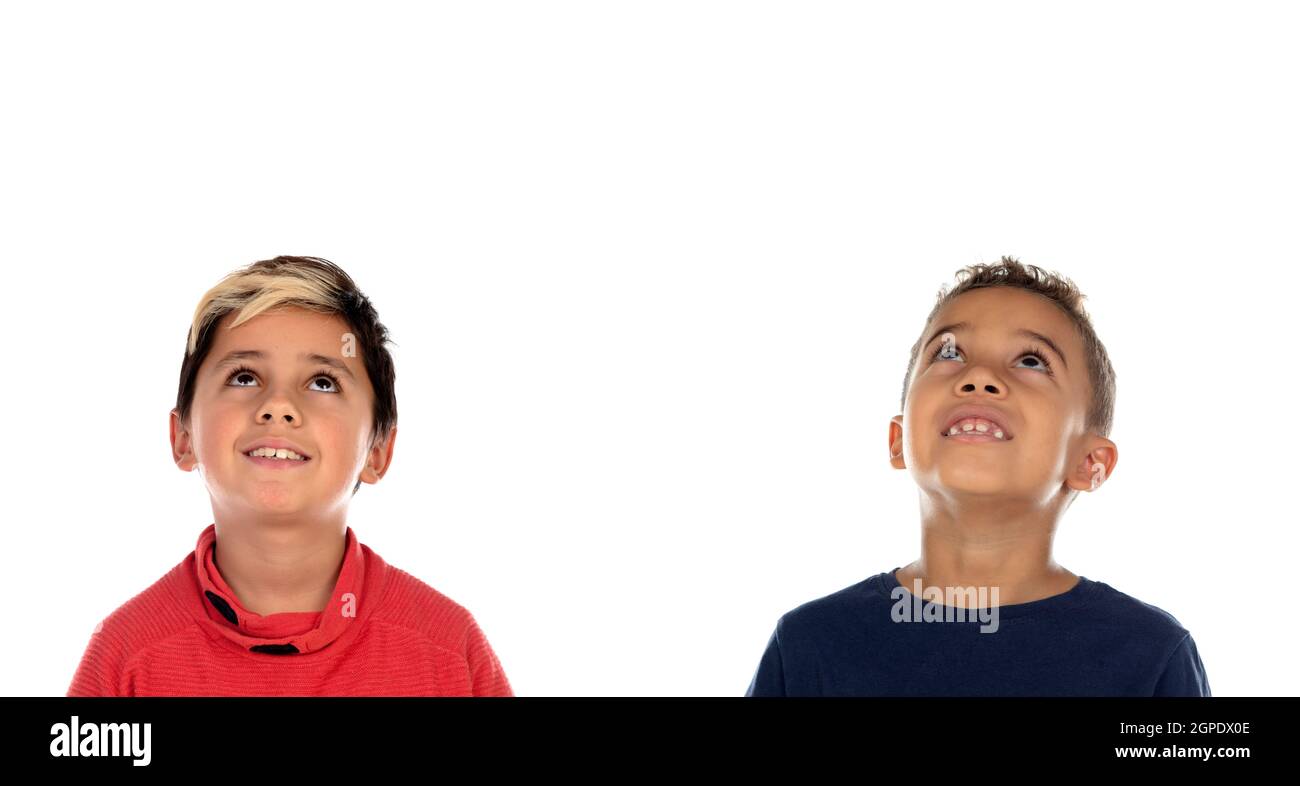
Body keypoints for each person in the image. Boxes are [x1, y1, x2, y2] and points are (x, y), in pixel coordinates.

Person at [745, 256, 1210, 696]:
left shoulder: (1150, 656)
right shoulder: (809, 646)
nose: (979, 376)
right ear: (898, 440)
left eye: (1031, 360)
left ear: (1090, 463)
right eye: (949, 352)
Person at [67, 255, 512, 696]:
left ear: (378, 451)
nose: (278, 405)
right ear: (183, 436)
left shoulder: (451, 654)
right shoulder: (125, 659)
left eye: (322, 382)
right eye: (244, 377)